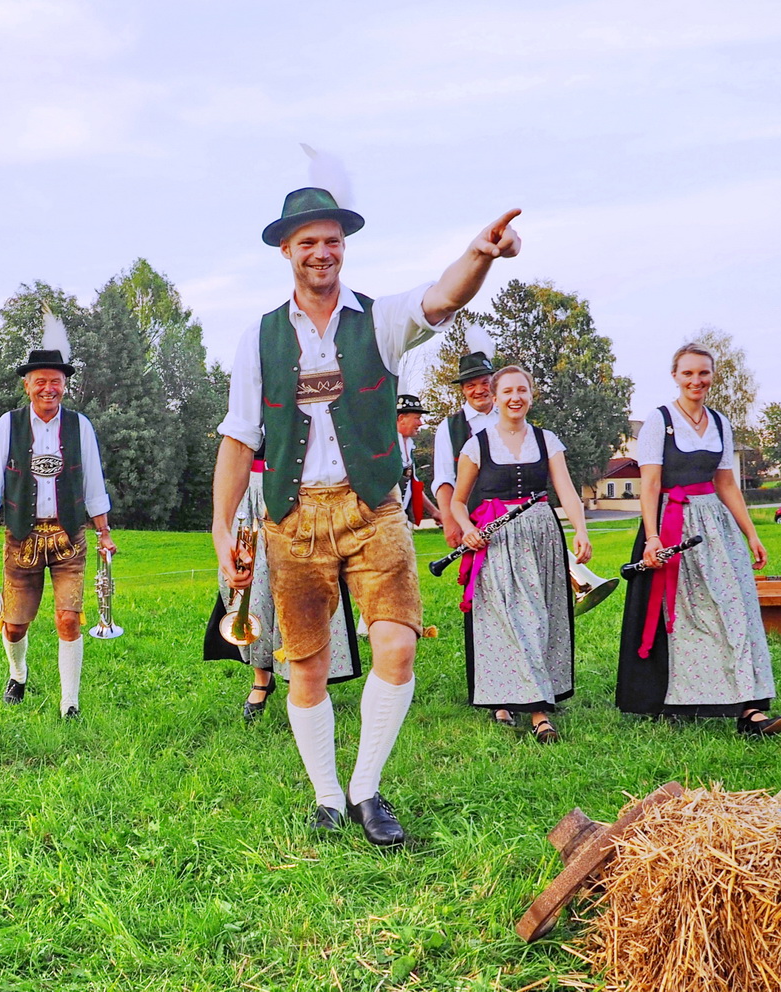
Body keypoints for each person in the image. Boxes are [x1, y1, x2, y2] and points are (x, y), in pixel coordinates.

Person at [213, 181, 521, 847]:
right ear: (286, 251)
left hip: (372, 509)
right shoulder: (258, 338)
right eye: (307, 243)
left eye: (330, 241)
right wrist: (220, 534)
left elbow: (442, 296)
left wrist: (480, 253)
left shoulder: (378, 320)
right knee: (306, 665)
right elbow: (238, 440)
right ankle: (326, 796)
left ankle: (365, 788)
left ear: (343, 247)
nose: (320, 253)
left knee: (397, 646)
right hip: (292, 518)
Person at [616, 343, 781, 735]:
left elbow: (726, 483)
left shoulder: (721, 422)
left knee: (733, 608)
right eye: (688, 373)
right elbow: (651, 482)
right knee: (684, 616)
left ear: (712, 376)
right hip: (672, 522)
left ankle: (749, 706)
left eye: (703, 373)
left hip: (715, 527)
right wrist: (652, 538)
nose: (696, 380)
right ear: (675, 375)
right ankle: (683, 698)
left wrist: (751, 533)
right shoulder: (660, 421)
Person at [0, 318, 115, 719]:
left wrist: (103, 532)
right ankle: (18, 674)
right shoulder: (9, 424)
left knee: (68, 619)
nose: (48, 388)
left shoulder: (80, 426)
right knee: (15, 625)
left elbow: (94, 484)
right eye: (41, 381)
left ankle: (70, 703)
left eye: (55, 381)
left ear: (64, 385)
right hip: (21, 537)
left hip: (69, 537)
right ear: (27, 385)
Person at [447, 366, 591, 743]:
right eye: (507, 391)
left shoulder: (547, 441)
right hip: (497, 543)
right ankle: (539, 714)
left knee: (541, 617)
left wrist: (581, 530)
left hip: (542, 536)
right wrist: (468, 529)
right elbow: (459, 502)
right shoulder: (476, 444)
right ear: (494, 398)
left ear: (531, 395)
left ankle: (513, 697)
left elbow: (568, 492)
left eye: (522, 390)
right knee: (511, 620)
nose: (515, 398)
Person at [203, 444, 361, 722]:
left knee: (306, 593)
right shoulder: (250, 402)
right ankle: (261, 679)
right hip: (251, 494)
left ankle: (304, 681)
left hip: (305, 494)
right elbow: (236, 446)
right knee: (252, 592)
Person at [434, 352, 499, 548]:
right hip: (471, 520)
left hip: (512, 515)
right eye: (471, 385)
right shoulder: (448, 427)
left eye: (484, 383)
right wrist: (450, 521)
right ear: (462, 389)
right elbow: (444, 478)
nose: (479, 390)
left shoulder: (511, 418)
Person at [395, 394, 441, 527]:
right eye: (417, 418)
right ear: (401, 418)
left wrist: (435, 512)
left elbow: (413, 486)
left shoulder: (408, 445)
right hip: (385, 522)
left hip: (401, 519)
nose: (420, 423)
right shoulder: (387, 447)